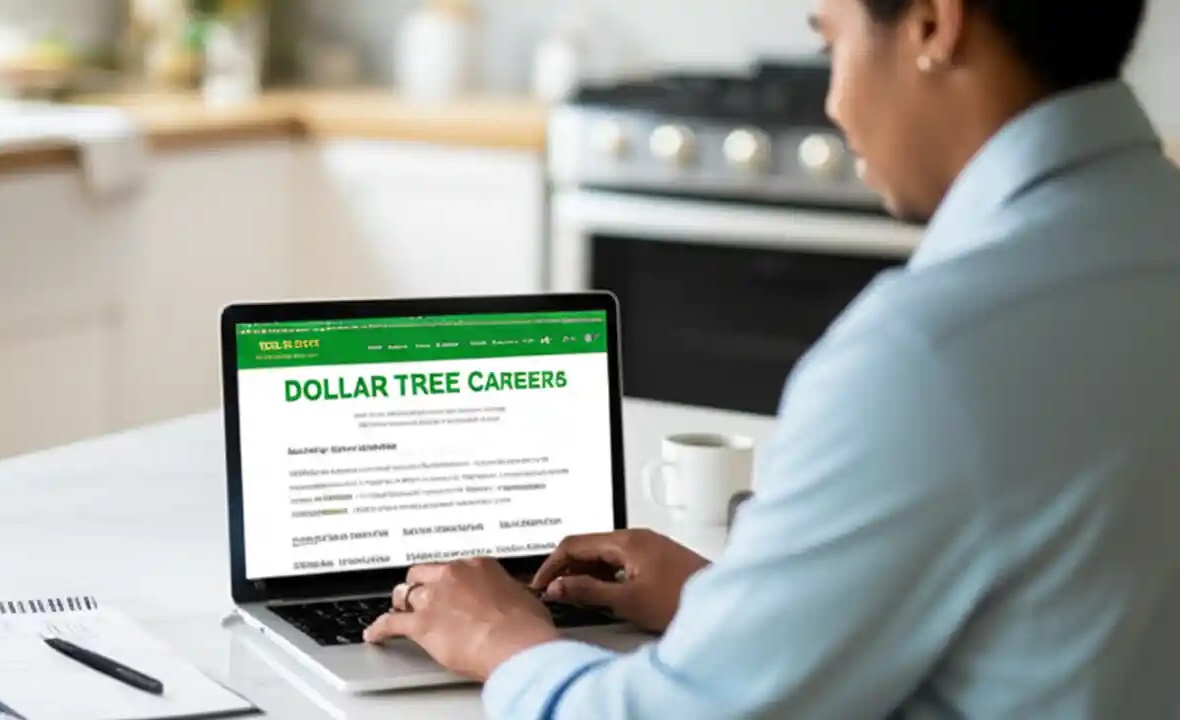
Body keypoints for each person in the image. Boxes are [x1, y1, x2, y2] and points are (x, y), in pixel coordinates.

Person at [364, 0, 1180, 716]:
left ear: (934, 22)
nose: (832, 101)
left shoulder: (928, 354)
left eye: (833, 46)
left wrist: (504, 642)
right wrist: (734, 607)